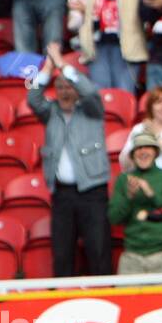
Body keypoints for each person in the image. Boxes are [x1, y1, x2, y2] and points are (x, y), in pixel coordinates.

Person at [29, 42, 112, 277]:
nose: (65, 91)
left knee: (98, 249)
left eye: (69, 86)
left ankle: (104, 297)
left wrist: (62, 64)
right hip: (62, 194)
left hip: (92, 191)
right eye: (60, 87)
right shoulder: (51, 112)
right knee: (62, 252)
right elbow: (33, 98)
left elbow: (90, 90)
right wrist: (47, 68)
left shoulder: (92, 110)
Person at [108, 132, 162, 274]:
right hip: (132, 257)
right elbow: (114, 218)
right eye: (139, 148)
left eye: (148, 147)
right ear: (132, 154)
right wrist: (129, 196)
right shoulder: (123, 179)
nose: (143, 151)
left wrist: (151, 194)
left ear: (155, 152)